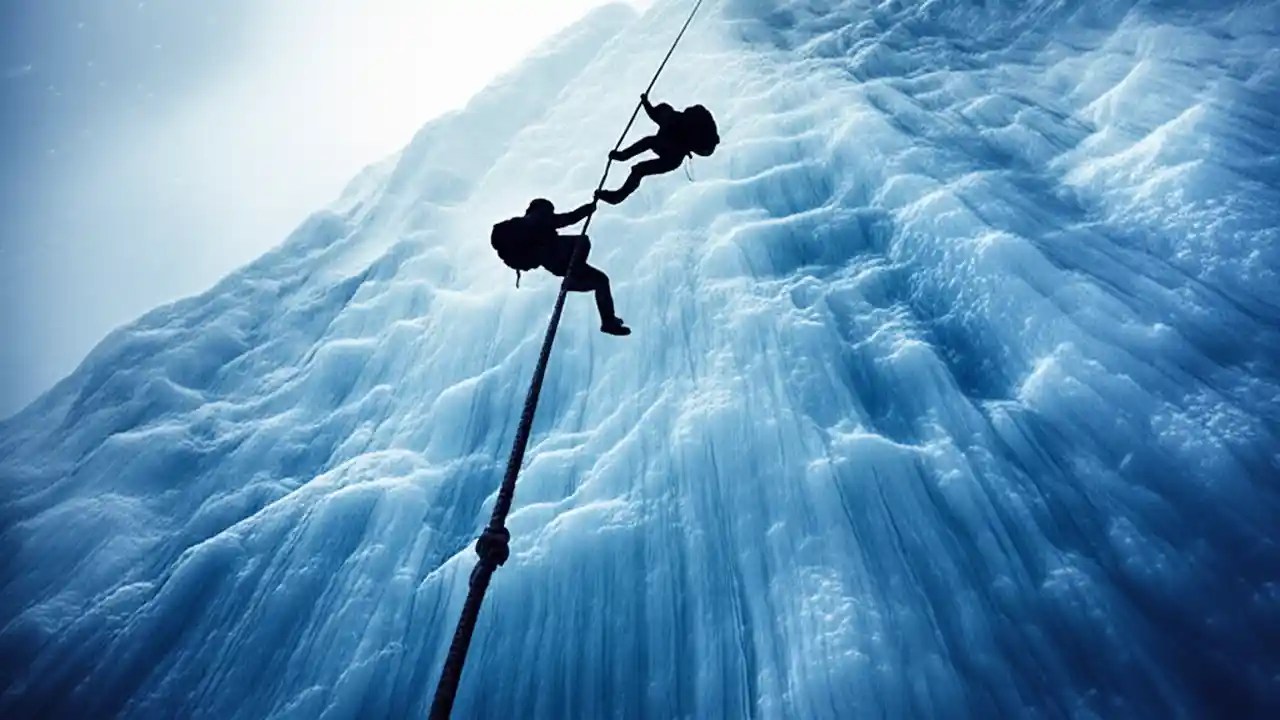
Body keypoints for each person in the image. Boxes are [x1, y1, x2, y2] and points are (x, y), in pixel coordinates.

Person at [490, 198, 631, 336]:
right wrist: (589, 208)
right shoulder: (540, 218)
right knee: (584, 243)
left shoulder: (523, 224)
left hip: (554, 266)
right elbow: (570, 218)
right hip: (558, 255)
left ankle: (603, 317)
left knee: (600, 280)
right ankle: (605, 318)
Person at [595, 93, 719, 205]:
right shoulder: (670, 118)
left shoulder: (672, 119)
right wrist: (645, 102)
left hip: (672, 157)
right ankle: (619, 183)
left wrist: (646, 103)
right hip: (670, 153)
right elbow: (653, 114)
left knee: (644, 157)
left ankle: (617, 194)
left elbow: (654, 115)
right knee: (644, 156)